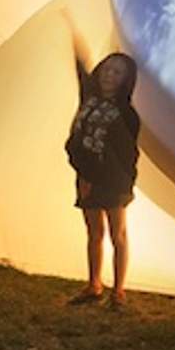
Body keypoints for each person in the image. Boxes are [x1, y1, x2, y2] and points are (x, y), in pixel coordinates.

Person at [67, 51, 141, 308]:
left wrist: (119, 183)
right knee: (93, 233)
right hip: (86, 176)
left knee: (117, 234)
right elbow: (81, 72)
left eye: (117, 72)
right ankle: (94, 284)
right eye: (106, 69)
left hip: (113, 181)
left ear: (126, 80)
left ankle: (118, 290)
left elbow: (126, 154)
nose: (109, 75)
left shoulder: (126, 114)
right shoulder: (90, 100)